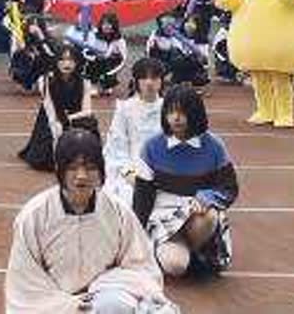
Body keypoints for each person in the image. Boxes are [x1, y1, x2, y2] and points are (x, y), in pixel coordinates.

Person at [4, 129, 178, 314]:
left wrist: (101, 288)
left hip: (100, 298)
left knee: (124, 306)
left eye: (90, 167)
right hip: (52, 303)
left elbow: (141, 267)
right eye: (72, 167)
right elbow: (24, 283)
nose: (82, 175)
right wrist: (68, 305)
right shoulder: (34, 216)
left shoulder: (117, 211)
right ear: (59, 169)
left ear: (101, 169)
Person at [134, 85, 239, 278]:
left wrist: (206, 197)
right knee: (175, 267)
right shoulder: (151, 146)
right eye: (171, 111)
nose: (176, 118)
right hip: (164, 212)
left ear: (196, 113)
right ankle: (190, 256)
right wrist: (136, 237)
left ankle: (197, 250)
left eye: (182, 112)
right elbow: (142, 196)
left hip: (197, 214)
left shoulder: (214, 146)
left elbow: (229, 188)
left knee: (210, 216)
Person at [18, 43, 96, 172]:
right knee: (43, 159)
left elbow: (87, 111)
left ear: (77, 62)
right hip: (51, 118)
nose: (67, 64)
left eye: (71, 60)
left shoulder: (84, 82)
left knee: (90, 124)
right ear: (56, 61)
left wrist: (68, 120)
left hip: (74, 118)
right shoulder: (45, 80)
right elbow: (51, 112)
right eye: (62, 59)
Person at [103, 58, 166, 206]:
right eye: (144, 78)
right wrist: (128, 173)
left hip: (164, 168)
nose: (149, 83)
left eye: (154, 78)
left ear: (161, 80)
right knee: (125, 197)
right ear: (136, 81)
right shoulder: (125, 109)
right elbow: (116, 147)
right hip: (132, 167)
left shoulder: (169, 108)